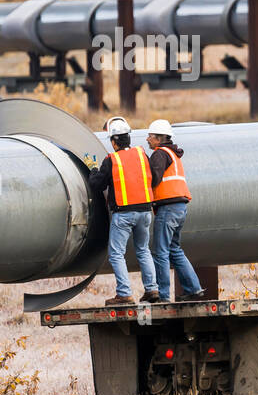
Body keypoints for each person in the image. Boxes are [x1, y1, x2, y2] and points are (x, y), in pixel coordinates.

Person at [87, 117, 160, 305]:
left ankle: (124, 293)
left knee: (116, 254)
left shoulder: (112, 160)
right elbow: (153, 178)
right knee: (143, 250)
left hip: (124, 213)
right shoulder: (141, 154)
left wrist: (93, 169)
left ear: (113, 141)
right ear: (128, 137)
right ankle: (152, 290)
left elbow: (97, 184)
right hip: (145, 212)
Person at [145, 119, 206, 302]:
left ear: (159, 138)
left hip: (168, 208)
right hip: (180, 208)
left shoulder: (159, 154)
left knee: (161, 252)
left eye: (150, 136)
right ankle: (193, 289)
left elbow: (153, 179)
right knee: (175, 249)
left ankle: (163, 296)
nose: (147, 139)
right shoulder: (174, 155)